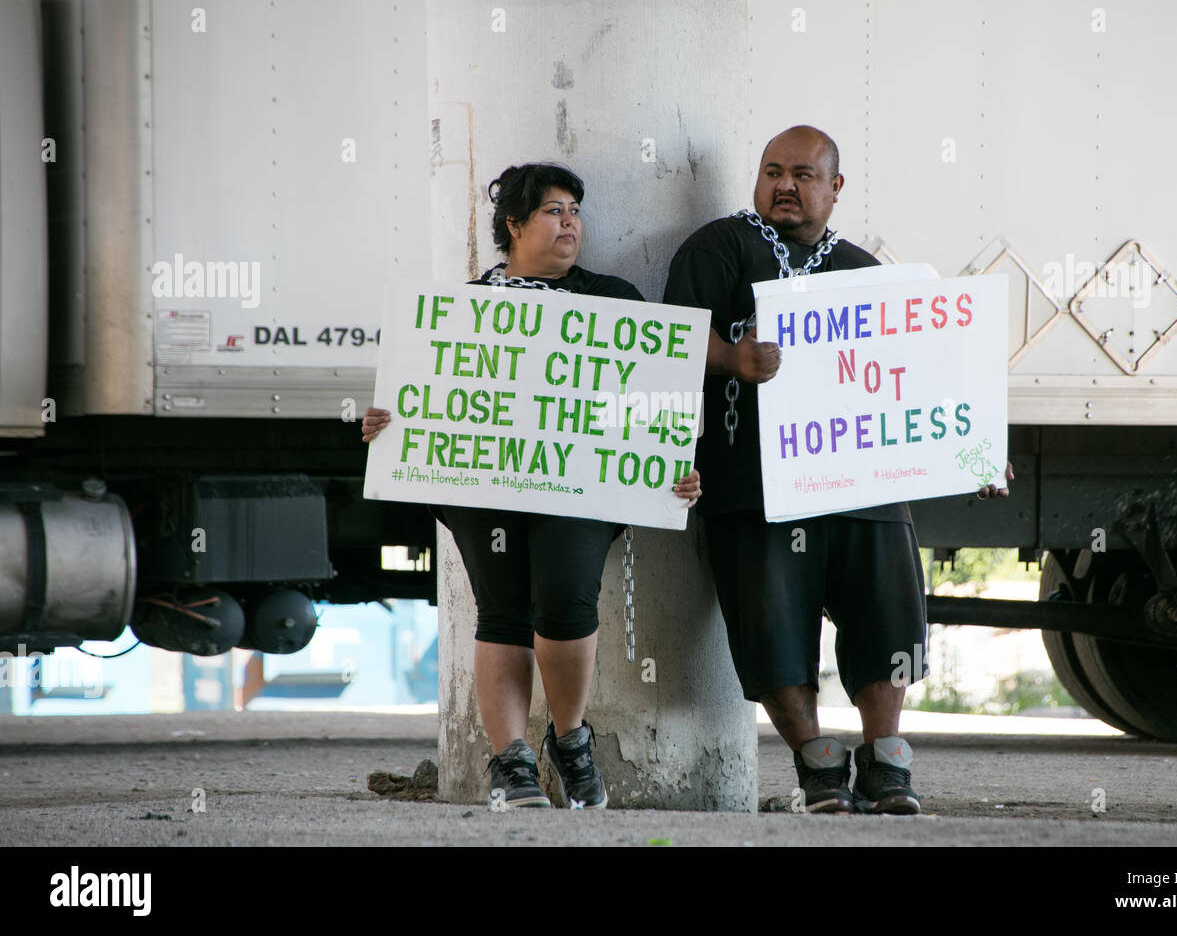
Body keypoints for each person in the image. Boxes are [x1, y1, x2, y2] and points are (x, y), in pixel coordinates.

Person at [663, 126, 1011, 815]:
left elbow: (921, 376)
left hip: (864, 488)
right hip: (752, 487)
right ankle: (818, 768)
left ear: (835, 187)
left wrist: (972, 449)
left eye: (801, 173)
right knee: (771, 632)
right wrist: (732, 358)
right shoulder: (719, 247)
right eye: (771, 171)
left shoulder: (864, 270)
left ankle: (887, 766)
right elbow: (668, 336)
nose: (784, 185)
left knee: (889, 616)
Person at [363, 163, 702, 809]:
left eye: (575, 208)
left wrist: (675, 463)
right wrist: (389, 423)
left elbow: (655, 405)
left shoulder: (616, 299)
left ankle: (570, 742)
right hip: (484, 488)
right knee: (502, 614)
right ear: (514, 226)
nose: (570, 220)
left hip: (583, 486)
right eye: (553, 209)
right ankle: (511, 761)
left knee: (568, 602)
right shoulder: (457, 310)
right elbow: (421, 400)